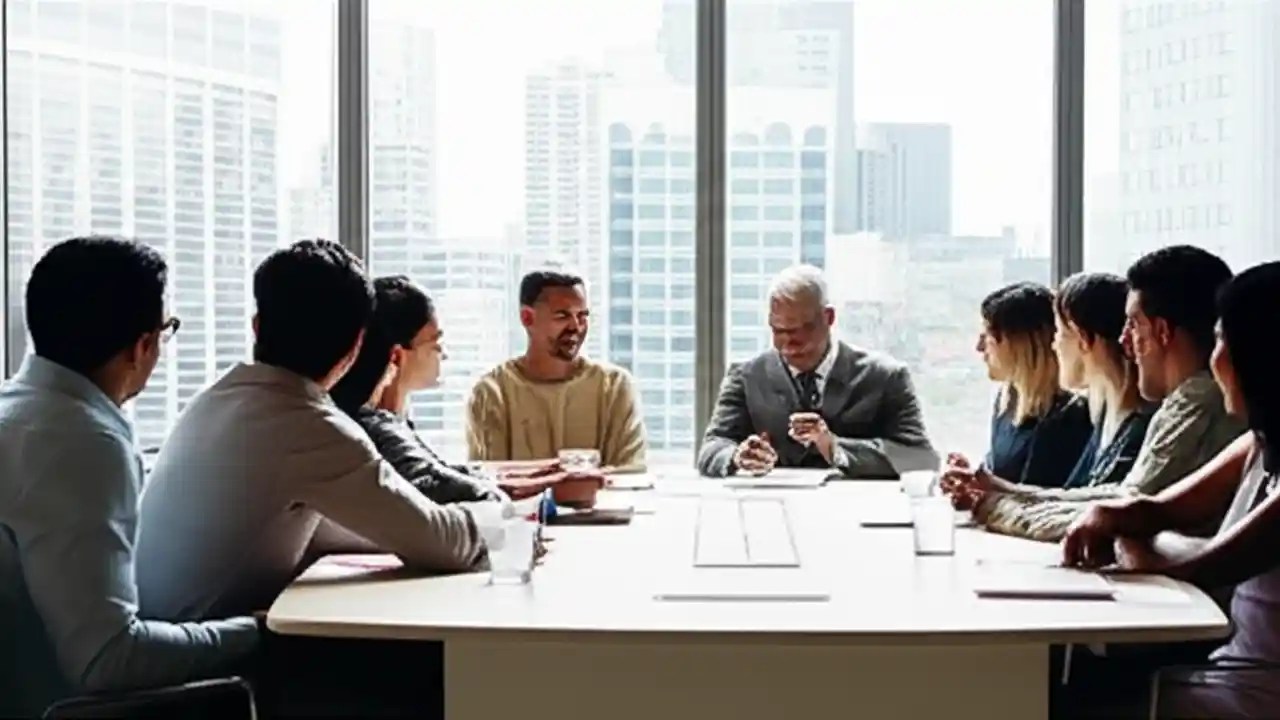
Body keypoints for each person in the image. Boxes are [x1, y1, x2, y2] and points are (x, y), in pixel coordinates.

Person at [136, 240, 488, 622]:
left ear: (256, 327)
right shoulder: (311, 428)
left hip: (157, 640)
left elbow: (342, 528)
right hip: (208, 664)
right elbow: (444, 545)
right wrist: (508, 519)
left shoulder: (213, 401)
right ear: (356, 345)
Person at [0, 238, 257, 716]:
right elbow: (105, 660)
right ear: (142, 346)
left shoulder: (15, 413)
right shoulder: (82, 441)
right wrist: (253, 632)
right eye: (166, 330)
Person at [1061, 261, 1280, 718]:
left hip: (1248, 697)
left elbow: (1197, 567)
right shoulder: (1257, 444)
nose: (1213, 358)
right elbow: (1151, 508)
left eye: (1222, 340)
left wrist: (1138, 537)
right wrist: (1126, 523)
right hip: (1220, 673)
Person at [945, 248, 1243, 542]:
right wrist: (1001, 492)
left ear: (1162, 331)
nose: (1124, 340)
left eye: (1134, 324)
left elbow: (1123, 511)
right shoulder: (1181, 403)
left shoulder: (1198, 402)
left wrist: (994, 506)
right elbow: (1115, 497)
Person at [944, 272, 1155, 534]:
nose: (1053, 345)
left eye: (1060, 334)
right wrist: (986, 487)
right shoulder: (1105, 416)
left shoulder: (1096, 418)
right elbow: (1074, 500)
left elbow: (1086, 509)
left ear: (1084, 339)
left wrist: (990, 499)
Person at [698, 264, 938, 478]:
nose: (788, 345)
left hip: (856, 514)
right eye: (778, 330)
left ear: (829, 317)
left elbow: (920, 458)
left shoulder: (886, 377)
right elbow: (712, 448)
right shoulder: (746, 376)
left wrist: (833, 447)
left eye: (800, 330)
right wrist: (737, 456)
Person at [330, 275, 507, 504]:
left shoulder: (381, 420)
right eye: (436, 344)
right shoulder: (372, 429)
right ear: (396, 357)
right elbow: (442, 487)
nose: (443, 355)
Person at [467, 269, 646, 470]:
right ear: (527, 318)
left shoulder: (614, 387)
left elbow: (631, 473)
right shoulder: (492, 392)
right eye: (562, 316)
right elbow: (491, 481)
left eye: (582, 316)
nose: (576, 327)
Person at [961, 281, 1092, 487]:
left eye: (988, 337)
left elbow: (1037, 498)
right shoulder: (1007, 401)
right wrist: (972, 476)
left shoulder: (1069, 417)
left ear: (1019, 346)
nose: (979, 347)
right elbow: (999, 472)